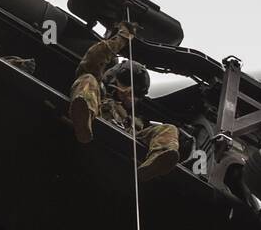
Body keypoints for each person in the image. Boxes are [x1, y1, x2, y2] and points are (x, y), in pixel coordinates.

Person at [69, 22, 180, 182]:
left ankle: (156, 162)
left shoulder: (135, 121)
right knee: (87, 79)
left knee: (169, 129)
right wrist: (122, 37)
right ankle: (83, 119)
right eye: (127, 83)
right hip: (97, 115)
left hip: (125, 137)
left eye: (137, 91)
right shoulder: (99, 91)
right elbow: (96, 57)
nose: (130, 92)